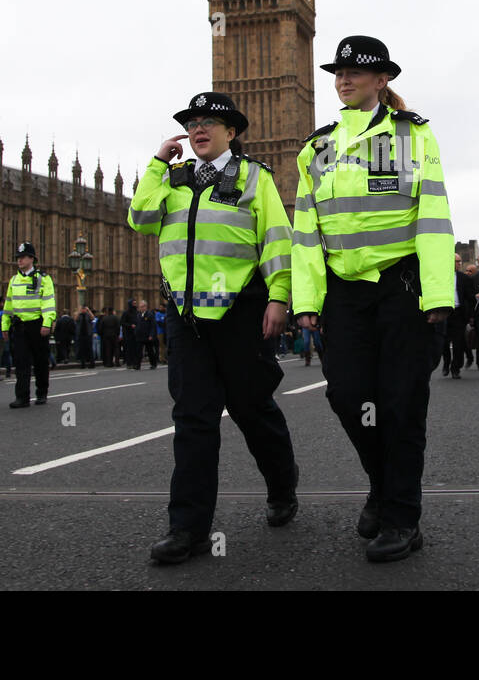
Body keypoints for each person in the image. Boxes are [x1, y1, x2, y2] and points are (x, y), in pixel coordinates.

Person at [292, 36, 453, 563]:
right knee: (348, 398)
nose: (344, 78)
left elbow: (432, 218)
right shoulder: (317, 149)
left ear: (382, 79)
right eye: (338, 71)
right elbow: (305, 234)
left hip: (401, 288)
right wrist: (306, 301)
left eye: (356, 71)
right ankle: (382, 485)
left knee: (403, 405)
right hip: (344, 293)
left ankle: (403, 518)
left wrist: (438, 296)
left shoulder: (413, 137)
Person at [129, 90, 299, 565]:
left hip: (241, 315)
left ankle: (283, 485)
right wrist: (156, 164)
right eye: (192, 122)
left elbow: (276, 240)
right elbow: (140, 219)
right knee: (193, 422)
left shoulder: (253, 177)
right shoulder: (174, 179)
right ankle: (188, 529)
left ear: (232, 132)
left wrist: (279, 296)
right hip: (187, 320)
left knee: (252, 410)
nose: (198, 128)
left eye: (210, 121)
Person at [1, 241, 56, 408]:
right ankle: (22, 397)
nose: (20, 260)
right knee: (21, 362)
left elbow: (48, 303)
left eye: (23, 257)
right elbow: (8, 305)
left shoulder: (43, 279)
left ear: (32, 259)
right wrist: (4, 325)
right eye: (18, 258)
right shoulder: (13, 280)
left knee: (40, 361)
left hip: (37, 325)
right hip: (19, 326)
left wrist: (47, 323)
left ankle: (41, 392)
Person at [442, 253, 475, 379]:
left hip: (458, 313)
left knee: (458, 343)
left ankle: (455, 368)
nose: (459, 264)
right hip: (445, 312)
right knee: (444, 342)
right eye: (456, 261)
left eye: (460, 261)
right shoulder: (442, 277)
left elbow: (470, 297)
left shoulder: (464, 278)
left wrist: (469, 314)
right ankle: (446, 362)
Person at [120, 298, 142, 369]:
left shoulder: (137, 312)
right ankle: (129, 363)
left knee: (136, 349)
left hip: (136, 333)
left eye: (135, 303)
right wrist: (130, 325)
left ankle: (136, 362)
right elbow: (122, 322)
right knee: (129, 349)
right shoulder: (126, 313)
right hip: (128, 334)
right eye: (134, 303)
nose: (135, 305)